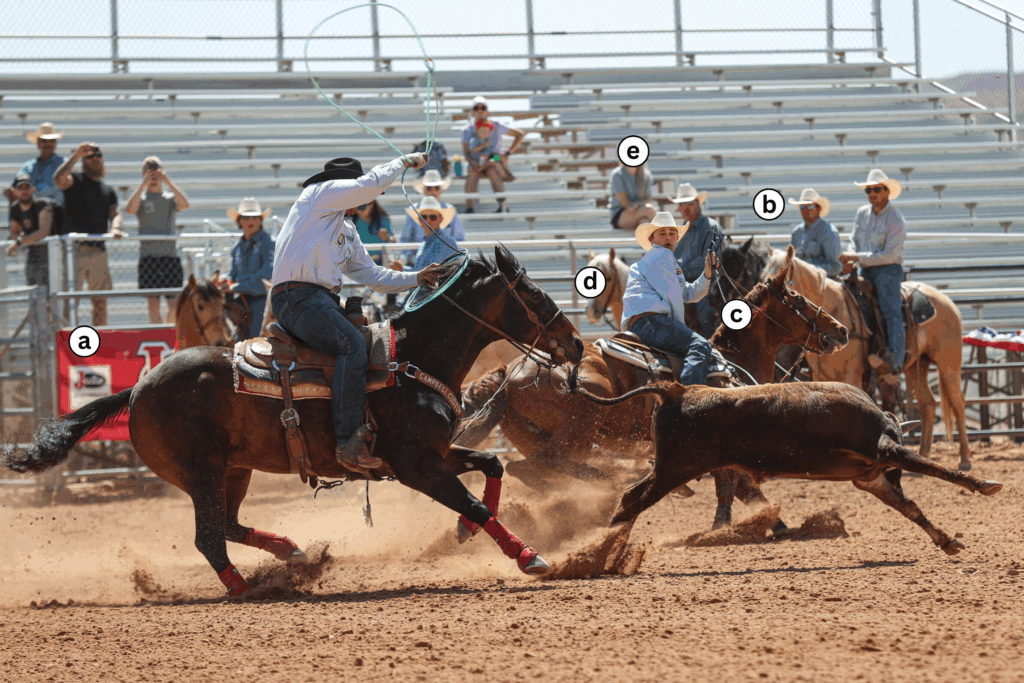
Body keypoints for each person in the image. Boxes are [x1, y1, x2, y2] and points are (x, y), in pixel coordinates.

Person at [271, 153, 446, 473]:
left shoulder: (346, 229)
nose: (361, 203)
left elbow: (374, 276)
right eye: (355, 194)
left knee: (364, 343)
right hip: (298, 297)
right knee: (351, 345)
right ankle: (347, 441)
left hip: (312, 299)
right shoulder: (317, 196)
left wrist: (416, 277)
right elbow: (367, 187)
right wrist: (402, 162)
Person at [621, 212, 719, 386]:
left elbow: (688, 293)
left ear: (676, 239)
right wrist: (684, 330)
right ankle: (689, 401)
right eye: (662, 234)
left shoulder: (660, 260)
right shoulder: (662, 257)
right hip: (651, 323)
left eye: (672, 234)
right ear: (652, 239)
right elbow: (673, 297)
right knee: (700, 346)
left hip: (642, 324)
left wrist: (706, 274)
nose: (668, 238)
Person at [840, 169, 907, 379]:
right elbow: (853, 239)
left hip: (887, 270)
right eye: (868, 190)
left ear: (887, 191)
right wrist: (850, 255)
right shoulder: (862, 213)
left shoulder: (896, 219)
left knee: (890, 311)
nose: (871, 193)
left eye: (876, 189)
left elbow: (890, 255)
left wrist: (856, 258)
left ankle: (896, 359)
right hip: (865, 268)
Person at [54, 142, 125, 327]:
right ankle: (68, 341)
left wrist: (116, 228)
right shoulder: (75, 180)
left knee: (101, 302)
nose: (94, 159)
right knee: (71, 302)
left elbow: (115, 213)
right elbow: (59, 179)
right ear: (83, 161)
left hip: (99, 251)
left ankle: (100, 342)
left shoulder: (107, 190)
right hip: (75, 251)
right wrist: (76, 154)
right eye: (89, 156)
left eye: (98, 156)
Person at [125, 156, 190, 324]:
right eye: (149, 169)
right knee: (153, 304)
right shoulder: (142, 198)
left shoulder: (169, 198)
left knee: (174, 304)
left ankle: (169, 335)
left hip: (169, 257)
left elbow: (185, 204)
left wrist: (167, 181)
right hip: (149, 257)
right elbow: (130, 209)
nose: (153, 172)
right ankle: (157, 336)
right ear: (143, 172)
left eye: (156, 169)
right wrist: (143, 184)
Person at [669, 183, 724, 338]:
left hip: (707, 282)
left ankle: (711, 346)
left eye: (689, 203)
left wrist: (682, 268)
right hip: (682, 281)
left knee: (704, 312)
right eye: (681, 204)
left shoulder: (711, 227)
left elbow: (711, 259)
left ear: (698, 203)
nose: (685, 207)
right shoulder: (680, 231)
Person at [460, 96, 524, 213]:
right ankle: (469, 207)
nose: (480, 110)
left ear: (487, 111)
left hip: (494, 156)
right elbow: (466, 153)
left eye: (483, 107)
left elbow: (520, 134)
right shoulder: (466, 130)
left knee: (492, 166)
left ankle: (503, 205)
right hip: (476, 159)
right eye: (476, 108)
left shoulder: (496, 125)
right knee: (473, 170)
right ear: (472, 112)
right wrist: (474, 163)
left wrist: (508, 153)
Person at [224, 198, 276, 340]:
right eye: (246, 218)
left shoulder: (269, 244)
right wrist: (225, 283)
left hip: (262, 299)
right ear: (239, 221)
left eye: (255, 217)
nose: (250, 221)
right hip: (239, 298)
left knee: (257, 334)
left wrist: (235, 287)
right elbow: (232, 274)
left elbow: (264, 279)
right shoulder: (237, 248)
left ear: (260, 221)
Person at [400, 169, 466, 265]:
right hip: (420, 259)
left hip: (444, 260)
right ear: (424, 190)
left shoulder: (450, 209)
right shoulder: (414, 208)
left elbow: (459, 238)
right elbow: (405, 239)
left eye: (436, 187)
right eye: (429, 188)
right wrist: (414, 259)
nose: (433, 191)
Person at [6, 173, 56, 287]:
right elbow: (14, 231)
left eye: (27, 188)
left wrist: (18, 243)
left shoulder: (43, 205)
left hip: (53, 255)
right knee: (33, 292)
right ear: (14, 191)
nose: (24, 191)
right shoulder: (15, 208)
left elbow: (43, 232)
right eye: (20, 188)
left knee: (52, 294)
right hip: (33, 256)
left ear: (33, 189)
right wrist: (19, 240)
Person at [4, 122, 66, 207]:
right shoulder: (28, 167)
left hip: (58, 212)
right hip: (33, 213)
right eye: (44, 141)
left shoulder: (64, 164)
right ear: (38, 143)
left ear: (56, 143)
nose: (48, 144)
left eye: (52, 140)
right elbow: (17, 184)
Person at [788, 188, 841, 278]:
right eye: (802, 207)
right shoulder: (796, 232)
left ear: (818, 209)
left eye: (810, 206)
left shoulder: (829, 232)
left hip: (821, 283)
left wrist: (808, 270)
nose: (805, 210)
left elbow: (836, 267)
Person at [405, 196, 460, 270]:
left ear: (440, 219)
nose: (427, 221)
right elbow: (422, 273)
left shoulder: (446, 242)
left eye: (433, 217)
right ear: (419, 220)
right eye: (424, 217)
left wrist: (402, 270)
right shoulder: (426, 243)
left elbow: (429, 274)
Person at [608, 162, 656, 231]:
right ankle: (664, 234)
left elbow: (649, 199)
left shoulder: (646, 175)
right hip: (620, 215)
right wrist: (640, 205)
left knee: (644, 222)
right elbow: (625, 203)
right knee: (649, 210)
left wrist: (637, 205)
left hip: (641, 211)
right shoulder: (617, 174)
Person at [352, 200, 393, 266]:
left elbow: (393, 240)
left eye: (362, 206)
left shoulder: (382, 219)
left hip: (379, 262)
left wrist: (387, 237)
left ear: (371, 205)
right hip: (358, 262)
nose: (359, 210)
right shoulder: (351, 220)